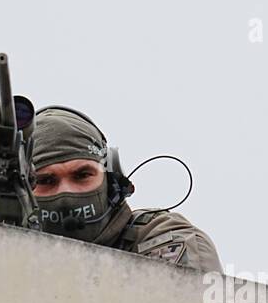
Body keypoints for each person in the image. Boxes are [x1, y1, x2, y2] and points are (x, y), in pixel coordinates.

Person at [22, 106, 221, 273]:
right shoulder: (2, 248)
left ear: (112, 181)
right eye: (46, 180)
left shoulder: (161, 236)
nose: (67, 193)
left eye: (82, 175)